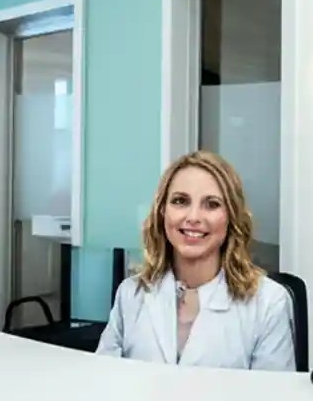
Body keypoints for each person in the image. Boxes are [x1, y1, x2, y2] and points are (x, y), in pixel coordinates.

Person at [97, 151, 295, 371]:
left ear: (231, 217)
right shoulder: (130, 294)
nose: (193, 217)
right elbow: (105, 386)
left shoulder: (269, 303)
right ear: (163, 212)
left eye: (211, 204)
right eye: (180, 201)